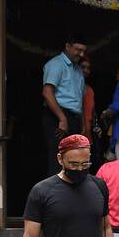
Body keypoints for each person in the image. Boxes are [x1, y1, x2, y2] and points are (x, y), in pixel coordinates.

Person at [42, 36, 87, 169]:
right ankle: (55, 190)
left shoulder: (78, 69)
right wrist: (62, 118)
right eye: (78, 50)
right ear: (68, 46)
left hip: (74, 119)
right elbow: (47, 92)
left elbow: (80, 98)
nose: (81, 54)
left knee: (74, 160)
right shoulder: (56, 64)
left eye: (84, 51)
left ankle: (71, 190)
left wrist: (83, 123)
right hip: (57, 117)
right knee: (58, 159)